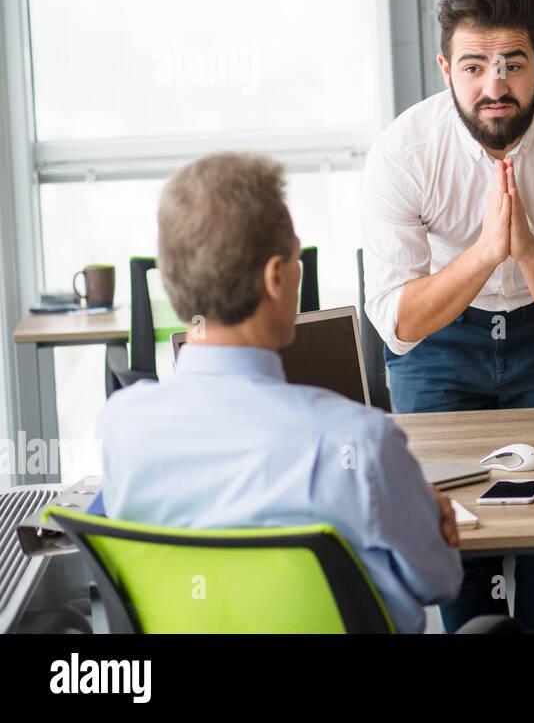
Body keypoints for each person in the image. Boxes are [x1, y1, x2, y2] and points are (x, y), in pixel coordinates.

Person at [99, 153, 462, 634]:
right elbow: (440, 581)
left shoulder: (122, 426)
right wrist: (430, 523)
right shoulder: (361, 442)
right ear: (275, 277)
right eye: (295, 257)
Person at [362, 0, 534, 633]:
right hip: (441, 347)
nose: (494, 86)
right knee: (460, 543)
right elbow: (399, 324)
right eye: (474, 66)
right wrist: (483, 253)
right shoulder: (403, 153)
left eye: (512, 65)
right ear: (447, 68)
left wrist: (529, 249)